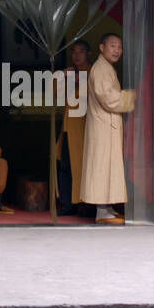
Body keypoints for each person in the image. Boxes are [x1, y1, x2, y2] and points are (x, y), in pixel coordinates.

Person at [81, 33, 135, 224]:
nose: (117, 50)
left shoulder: (106, 68)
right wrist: (131, 97)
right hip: (103, 126)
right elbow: (108, 98)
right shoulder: (101, 69)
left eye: (119, 47)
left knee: (107, 166)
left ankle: (107, 207)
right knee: (102, 166)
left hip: (106, 126)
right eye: (113, 46)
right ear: (101, 47)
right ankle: (101, 210)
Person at [56, 38, 92, 216]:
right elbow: (53, 94)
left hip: (87, 128)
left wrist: (81, 80)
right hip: (69, 128)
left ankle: (89, 204)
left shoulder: (94, 72)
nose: (77, 55)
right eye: (74, 51)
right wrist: (62, 76)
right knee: (66, 167)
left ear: (89, 54)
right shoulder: (69, 74)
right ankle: (68, 204)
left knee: (87, 167)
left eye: (81, 51)